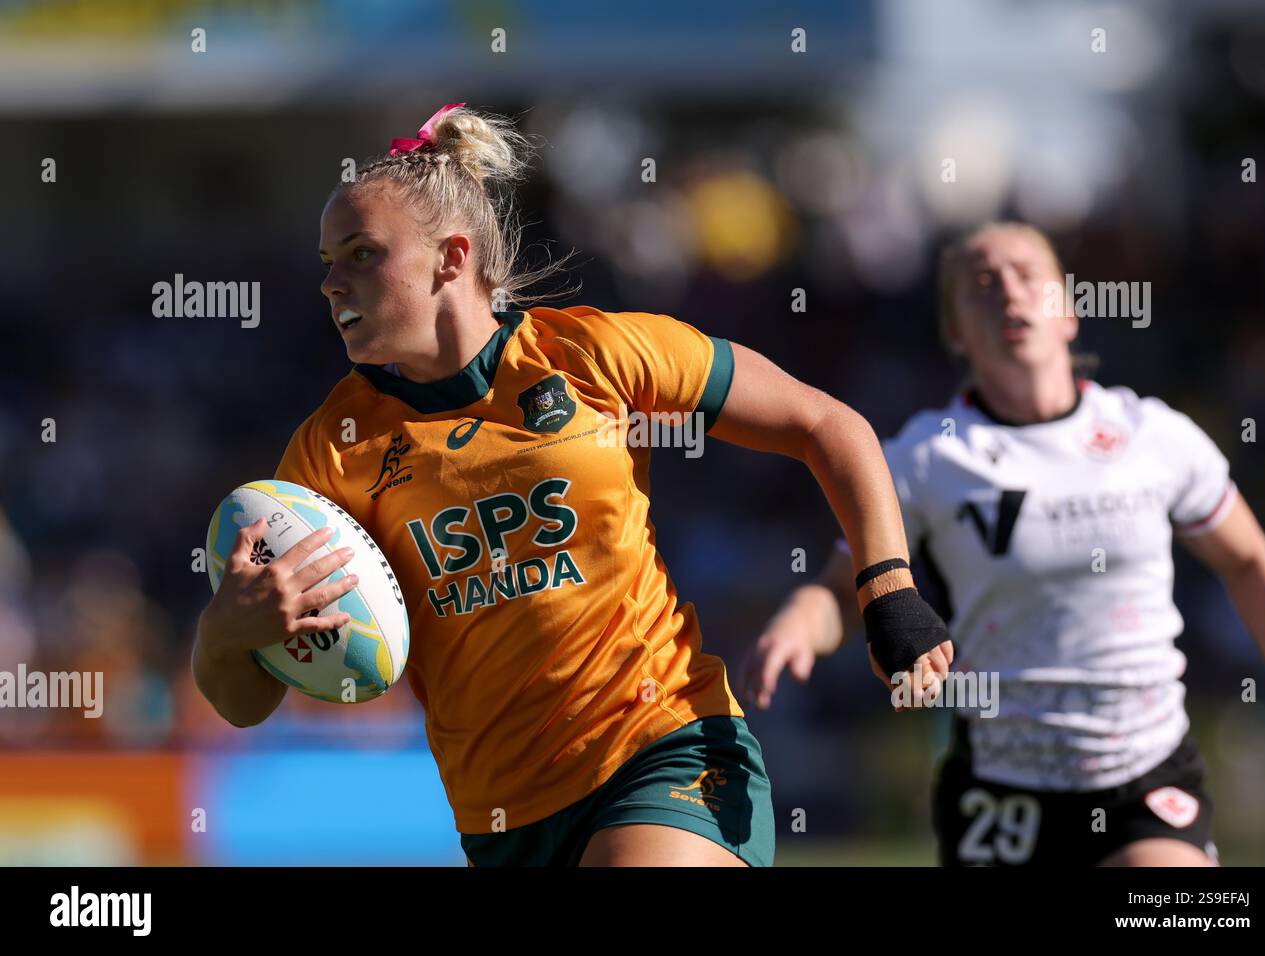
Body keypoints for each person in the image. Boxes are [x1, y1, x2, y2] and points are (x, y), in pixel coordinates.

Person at [191, 103, 951, 867]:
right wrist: (231, 630)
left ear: (451, 259)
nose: (330, 283)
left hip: (666, 750)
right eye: (327, 260)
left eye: (360, 254)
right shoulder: (331, 449)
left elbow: (828, 426)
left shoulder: (594, 354)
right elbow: (246, 701)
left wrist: (886, 589)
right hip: (502, 822)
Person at [744, 221, 1265, 866]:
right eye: (982, 282)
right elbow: (845, 591)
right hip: (1000, 795)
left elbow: (1253, 563)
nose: (1007, 289)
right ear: (956, 332)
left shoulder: (1155, 437)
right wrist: (797, 624)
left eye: (1026, 274)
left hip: (1146, 775)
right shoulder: (927, 458)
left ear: (1066, 310)